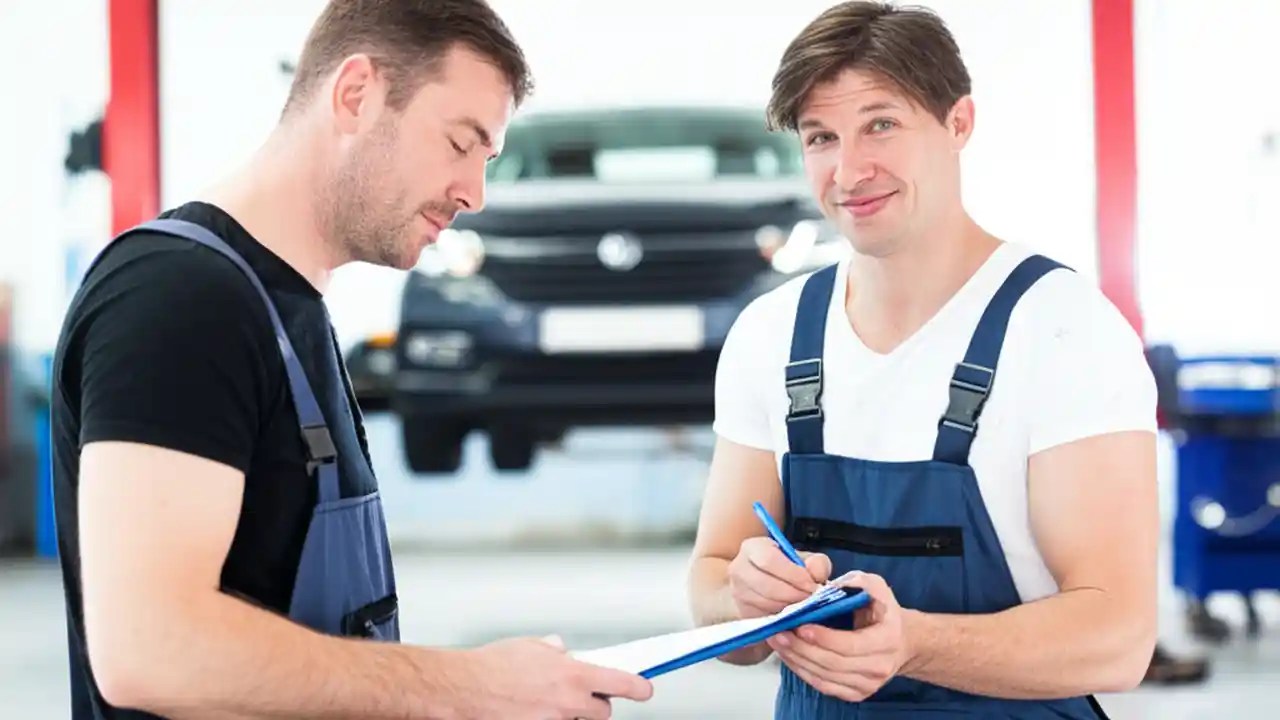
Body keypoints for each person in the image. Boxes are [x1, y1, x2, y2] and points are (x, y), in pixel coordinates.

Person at [50, 2, 652, 718]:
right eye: (461, 144)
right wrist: (472, 684)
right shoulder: (178, 299)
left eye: (486, 162)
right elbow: (149, 648)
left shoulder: (289, 312)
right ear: (356, 94)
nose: (474, 194)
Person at [686, 2, 1158, 718]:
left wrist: (911, 641)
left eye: (881, 124)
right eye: (821, 137)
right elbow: (715, 591)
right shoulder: (771, 335)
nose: (849, 170)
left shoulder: (1064, 331)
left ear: (958, 123)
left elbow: (1117, 639)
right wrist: (743, 596)